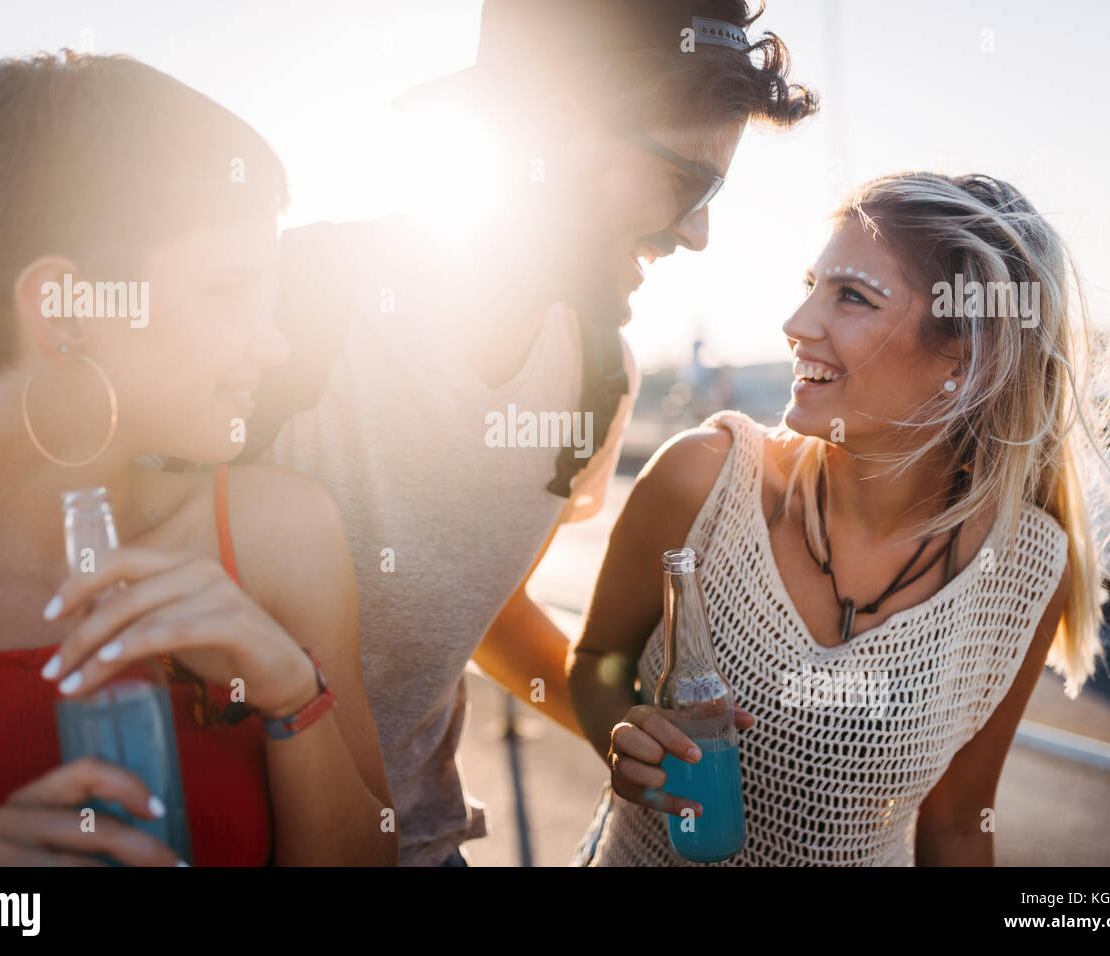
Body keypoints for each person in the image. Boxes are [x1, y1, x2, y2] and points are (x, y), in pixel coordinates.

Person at [232, 0, 817, 866]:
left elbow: (481, 607)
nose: (698, 232)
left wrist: (623, 725)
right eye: (688, 180)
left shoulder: (596, 372)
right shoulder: (279, 302)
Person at [569, 171, 1110, 866]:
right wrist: (625, 733)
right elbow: (595, 663)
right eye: (811, 286)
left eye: (851, 297)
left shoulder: (1026, 569)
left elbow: (955, 826)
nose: (796, 325)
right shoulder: (700, 480)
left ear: (965, 355)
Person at [0, 51, 396, 866]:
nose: (271, 344)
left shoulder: (275, 538)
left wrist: (293, 699)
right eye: (230, 290)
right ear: (65, 307)